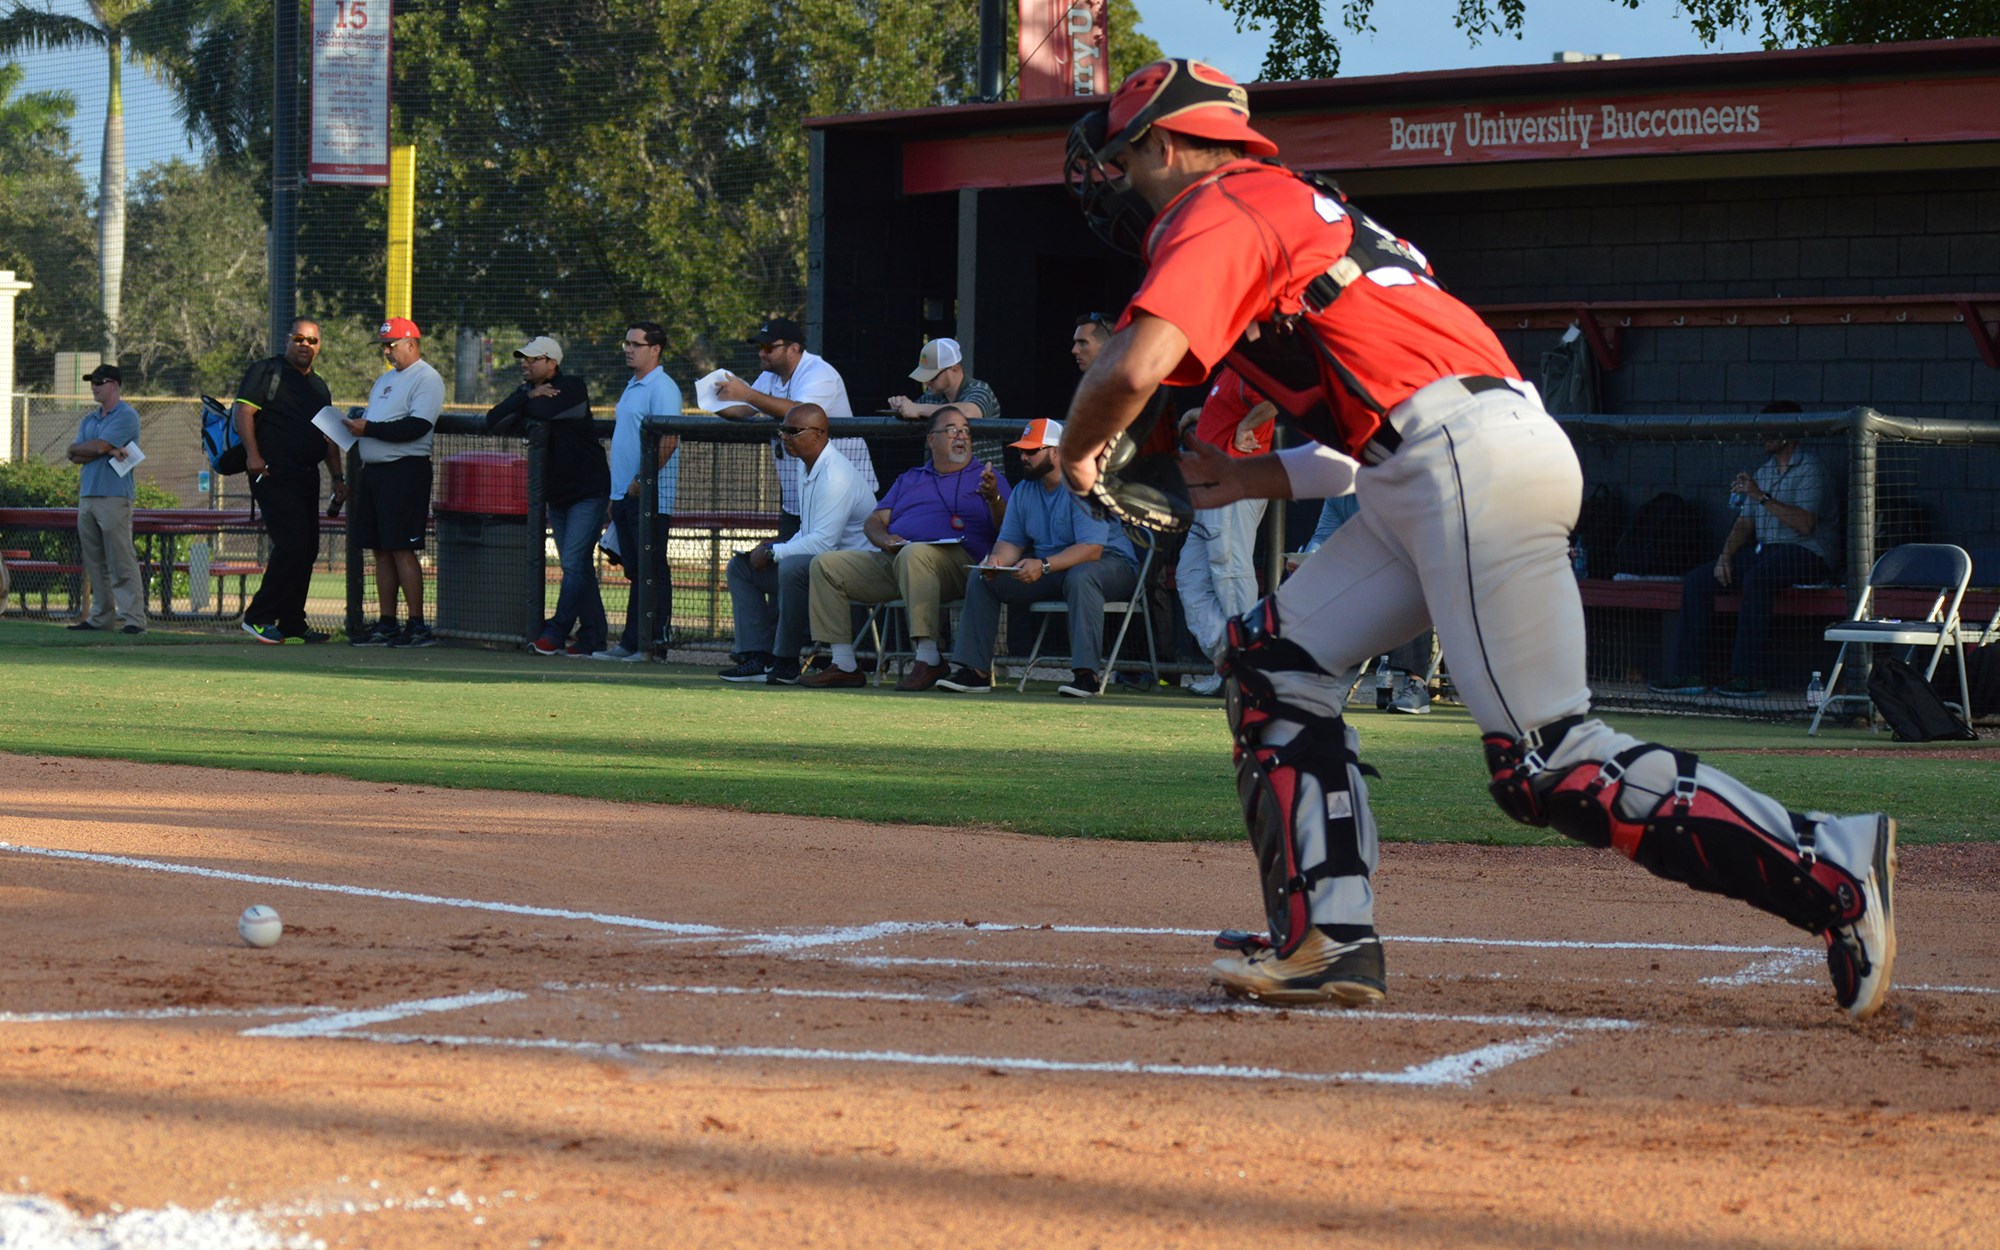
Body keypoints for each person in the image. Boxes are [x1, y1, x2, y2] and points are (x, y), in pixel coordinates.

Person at [1058, 58, 1895, 1018]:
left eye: (1126, 157)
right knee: (1271, 668)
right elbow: (1365, 444)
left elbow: (1134, 368)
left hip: (1459, 462)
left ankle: (1829, 863)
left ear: (1168, 145)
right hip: (1442, 461)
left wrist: (1078, 451)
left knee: (1547, 763)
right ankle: (1327, 940)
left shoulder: (1224, 204)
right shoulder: (1301, 220)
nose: (1119, 180)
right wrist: (1252, 477)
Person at [802, 405, 1011, 690]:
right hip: (900, 559)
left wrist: (994, 498)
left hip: (959, 566)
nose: (961, 436)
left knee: (914, 554)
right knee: (825, 565)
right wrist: (885, 539)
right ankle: (844, 664)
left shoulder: (988, 477)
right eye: (952, 430)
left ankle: (928, 658)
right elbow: (874, 521)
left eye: (965, 431)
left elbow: (1007, 528)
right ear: (931, 439)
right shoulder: (910, 478)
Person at [936, 418, 1139, 699]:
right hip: (1053, 569)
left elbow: (1091, 549)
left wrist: (1043, 565)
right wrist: (996, 562)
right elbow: (1011, 543)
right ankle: (975, 672)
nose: (1023, 457)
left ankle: (1087, 676)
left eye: (1032, 451)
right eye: (1021, 450)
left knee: (1081, 577)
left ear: (1056, 452)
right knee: (982, 577)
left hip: (1110, 564)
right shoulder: (1024, 490)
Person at [1651, 402, 1834, 699]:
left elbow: (1805, 524)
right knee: (1698, 580)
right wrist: (1724, 557)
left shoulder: (1811, 469)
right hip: (1767, 552)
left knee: (1757, 579)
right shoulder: (1763, 472)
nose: (1762, 435)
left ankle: (1748, 677)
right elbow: (1744, 523)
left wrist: (1760, 496)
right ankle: (1689, 673)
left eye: (1769, 430)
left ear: (1787, 432)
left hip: (1807, 553)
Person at [718, 403, 876, 684]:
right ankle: (758, 656)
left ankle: (786, 662)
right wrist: (773, 547)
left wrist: (773, 551)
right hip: (821, 566)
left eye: (793, 431)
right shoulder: (806, 467)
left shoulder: (835, 475)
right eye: (783, 430)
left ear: (818, 434)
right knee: (740, 567)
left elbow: (823, 544)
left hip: (856, 572)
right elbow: (808, 531)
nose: (784, 437)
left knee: (792, 567)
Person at [484, 335, 608, 658]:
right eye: (523, 359)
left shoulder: (572, 387)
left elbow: (542, 410)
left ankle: (556, 631)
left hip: (588, 491)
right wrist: (528, 395)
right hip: (559, 495)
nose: (525, 364)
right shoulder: (527, 391)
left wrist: (525, 402)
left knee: (573, 564)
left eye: (533, 359)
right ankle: (593, 636)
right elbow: (493, 419)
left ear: (552, 363)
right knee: (579, 566)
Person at [235, 319, 345, 645]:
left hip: (307, 475)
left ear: (319, 346)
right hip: (272, 472)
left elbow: (329, 437)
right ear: (288, 340)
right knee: (292, 544)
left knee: (307, 548)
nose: (305, 345)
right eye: (299, 338)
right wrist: (253, 454)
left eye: (312, 341)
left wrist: (338, 478)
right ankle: (258, 617)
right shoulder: (267, 371)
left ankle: (292, 621)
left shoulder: (319, 387)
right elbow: (243, 412)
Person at [715, 317, 877, 539]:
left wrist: (747, 393)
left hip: (840, 492)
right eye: (760, 347)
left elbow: (800, 412)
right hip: (797, 497)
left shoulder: (818, 372)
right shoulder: (769, 376)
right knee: (791, 558)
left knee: (827, 557)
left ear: (793, 349)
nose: (761, 353)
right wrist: (710, 399)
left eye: (769, 347)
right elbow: (741, 410)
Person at [344, 317, 445, 649]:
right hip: (375, 472)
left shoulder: (426, 377)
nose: (387, 351)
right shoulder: (385, 380)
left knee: (402, 548)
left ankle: (417, 624)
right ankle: (387, 623)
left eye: (392, 345)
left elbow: (416, 426)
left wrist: (369, 429)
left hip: (405, 471)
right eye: (384, 346)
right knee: (380, 549)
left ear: (411, 344)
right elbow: (377, 423)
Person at [1176, 366, 1273, 696]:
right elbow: (1234, 408)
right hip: (1212, 488)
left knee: (1229, 571)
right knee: (1190, 576)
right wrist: (1201, 414)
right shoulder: (1231, 369)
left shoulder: (1251, 364)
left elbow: (1273, 401)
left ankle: (1245, 671)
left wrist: (1246, 426)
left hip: (1234, 481)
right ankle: (1229, 665)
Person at [590, 322, 682, 662]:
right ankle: (632, 643)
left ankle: (652, 645)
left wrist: (641, 481)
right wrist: (618, 495)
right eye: (626, 343)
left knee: (651, 569)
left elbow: (669, 439)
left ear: (655, 349)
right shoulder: (633, 385)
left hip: (649, 497)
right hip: (626, 496)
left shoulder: (663, 387)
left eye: (636, 344)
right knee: (637, 571)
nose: (628, 349)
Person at [64, 364, 146, 635]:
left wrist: (99, 448)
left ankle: (134, 619)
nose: (94, 387)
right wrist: (106, 449)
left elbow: (96, 447)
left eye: (99, 382)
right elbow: (73, 454)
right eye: (92, 382)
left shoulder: (127, 415)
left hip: (114, 495)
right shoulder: (89, 420)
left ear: (114, 384)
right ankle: (101, 618)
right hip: (87, 495)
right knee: (95, 561)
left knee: (121, 558)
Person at [887, 337, 1002, 423]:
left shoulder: (981, 389)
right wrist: (901, 407)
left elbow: (969, 411)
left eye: (933, 377)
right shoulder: (931, 397)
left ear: (955, 369)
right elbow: (912, 410)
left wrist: (918, 409)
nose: (927, 382)